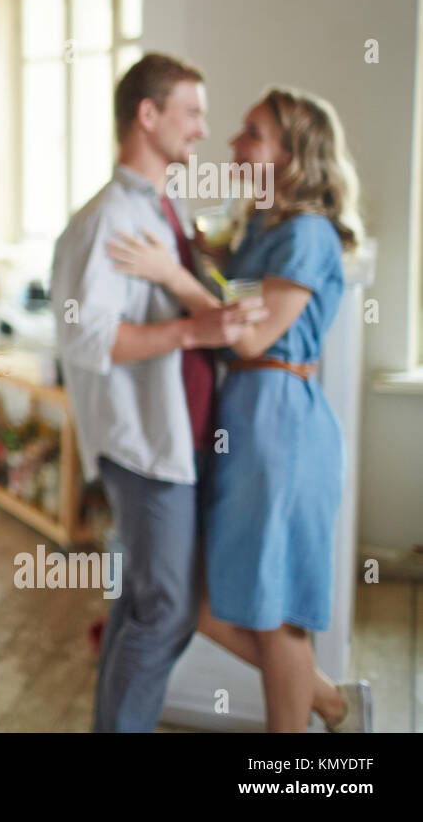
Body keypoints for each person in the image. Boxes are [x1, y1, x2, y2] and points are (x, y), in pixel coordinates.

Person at [107, 87, 372, 732]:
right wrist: (209, 255)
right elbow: (240, 301)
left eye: (253, 133)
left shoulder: (308, 235)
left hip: (283, 424)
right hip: (247, 421)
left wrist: (173, 273)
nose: (233, 142)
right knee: (211, 601)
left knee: (275, 610)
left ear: (292, 152)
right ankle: (336, 704)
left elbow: (251, 335)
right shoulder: (266, 228)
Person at [50, 53, 268, 732]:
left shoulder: (161, 207)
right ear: (148, 116)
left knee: (144, 604)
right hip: (144, 449)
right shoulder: (110, 218)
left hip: (177, 437)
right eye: (192, 112)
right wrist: (191, 331)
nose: (202, 129)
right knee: (166, 613)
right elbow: (87, 340)